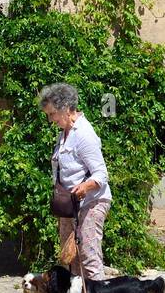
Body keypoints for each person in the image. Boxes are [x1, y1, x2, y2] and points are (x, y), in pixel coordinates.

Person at [39, 82, 112, 281]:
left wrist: (85, 186)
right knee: (70, 256)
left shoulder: (84, 134)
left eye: (52, 113)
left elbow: (101, 174)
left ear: (65, 108)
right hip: (69, 206)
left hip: (91, 203)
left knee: (89, 256)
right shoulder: (63, 135)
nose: (50, 119)